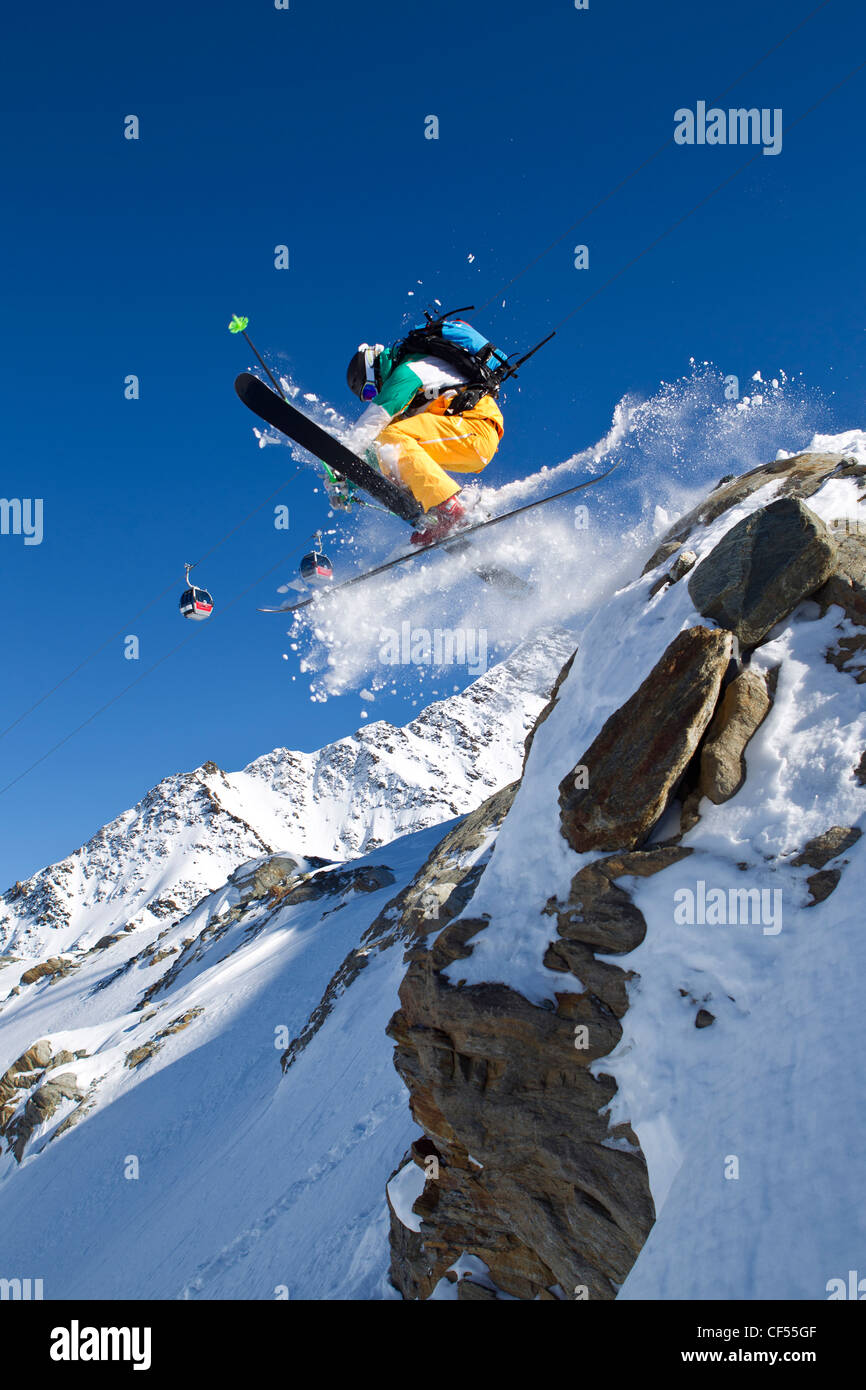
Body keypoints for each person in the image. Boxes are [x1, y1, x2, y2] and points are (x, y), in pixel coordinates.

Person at [345, 321, 506, 545]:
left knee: (390, 439)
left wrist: (341, 457)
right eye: (369, 396)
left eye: (371, 390)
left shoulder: (411, 369)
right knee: (389, 453)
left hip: (475, 428)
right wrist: (349, 480)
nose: (376, 395)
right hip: (465, 441)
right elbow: (375, 451)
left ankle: (449, 509)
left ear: (376, 370)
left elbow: (379, 413)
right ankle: (438, 514)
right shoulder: (410, 399)